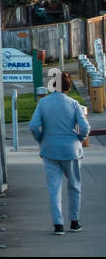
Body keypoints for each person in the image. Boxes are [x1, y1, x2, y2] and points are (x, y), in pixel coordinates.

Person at [29, 83, 91, 235]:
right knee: (74, 186)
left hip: (50, 149)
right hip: (71, 150)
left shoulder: (43, 103)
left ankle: (58, 225)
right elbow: (85, 127)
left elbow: (33, 126)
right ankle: (74, 222)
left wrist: (41, 139)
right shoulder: (73, 103)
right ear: (68, 87)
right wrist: (79, 139)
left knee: (54, 188)